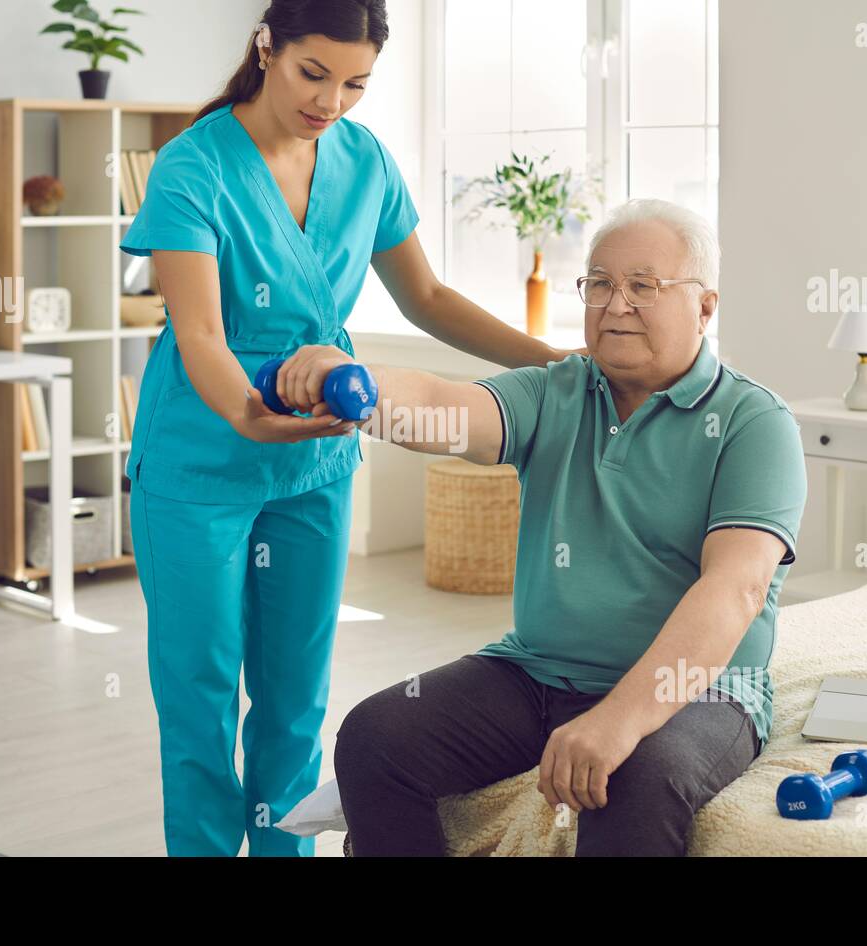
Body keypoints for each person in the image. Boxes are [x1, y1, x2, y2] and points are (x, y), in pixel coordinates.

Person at [120, 0, 579, 856]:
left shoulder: (364, 160)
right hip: (202, 460)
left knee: (295, 696)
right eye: (313, 74)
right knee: (199, 696)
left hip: (316, 459)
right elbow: (202, 340)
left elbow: (429, 300)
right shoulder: (193, 166)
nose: (331, 101)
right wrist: (251, 420)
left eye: (356, 83)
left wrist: (554, 360)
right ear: (268, 46)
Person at [326, 198, 808, 855]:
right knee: (374, 736)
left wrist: (617, 722)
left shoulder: (755, 424)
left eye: (644, 286)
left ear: (704, 307)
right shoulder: (556, 392)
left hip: (702, 693)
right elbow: (446, 410)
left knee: (638, 772)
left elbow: (736, 591)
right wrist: (355, 383)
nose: (616, 305)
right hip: (539, 673)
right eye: (600, 283)